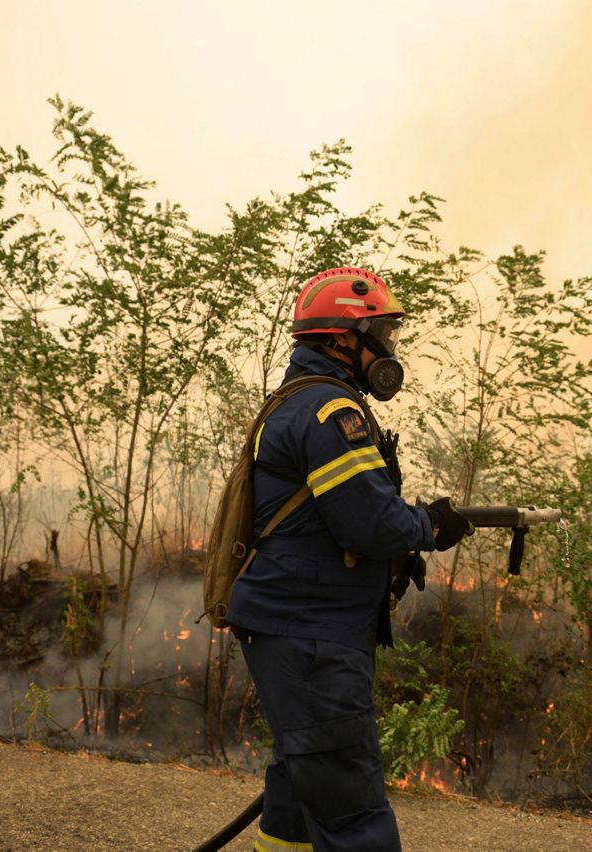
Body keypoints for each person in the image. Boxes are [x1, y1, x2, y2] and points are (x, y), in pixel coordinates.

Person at [227, 266, 473, 852]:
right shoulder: (331, 413)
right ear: (342, 339)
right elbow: (370, 522)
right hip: (313, 632)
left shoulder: (298, 401)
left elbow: (341, 510)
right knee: (351, 809)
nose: (387, 347)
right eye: (380, 333)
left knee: (299, 784)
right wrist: (431, 526)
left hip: (293, 624)